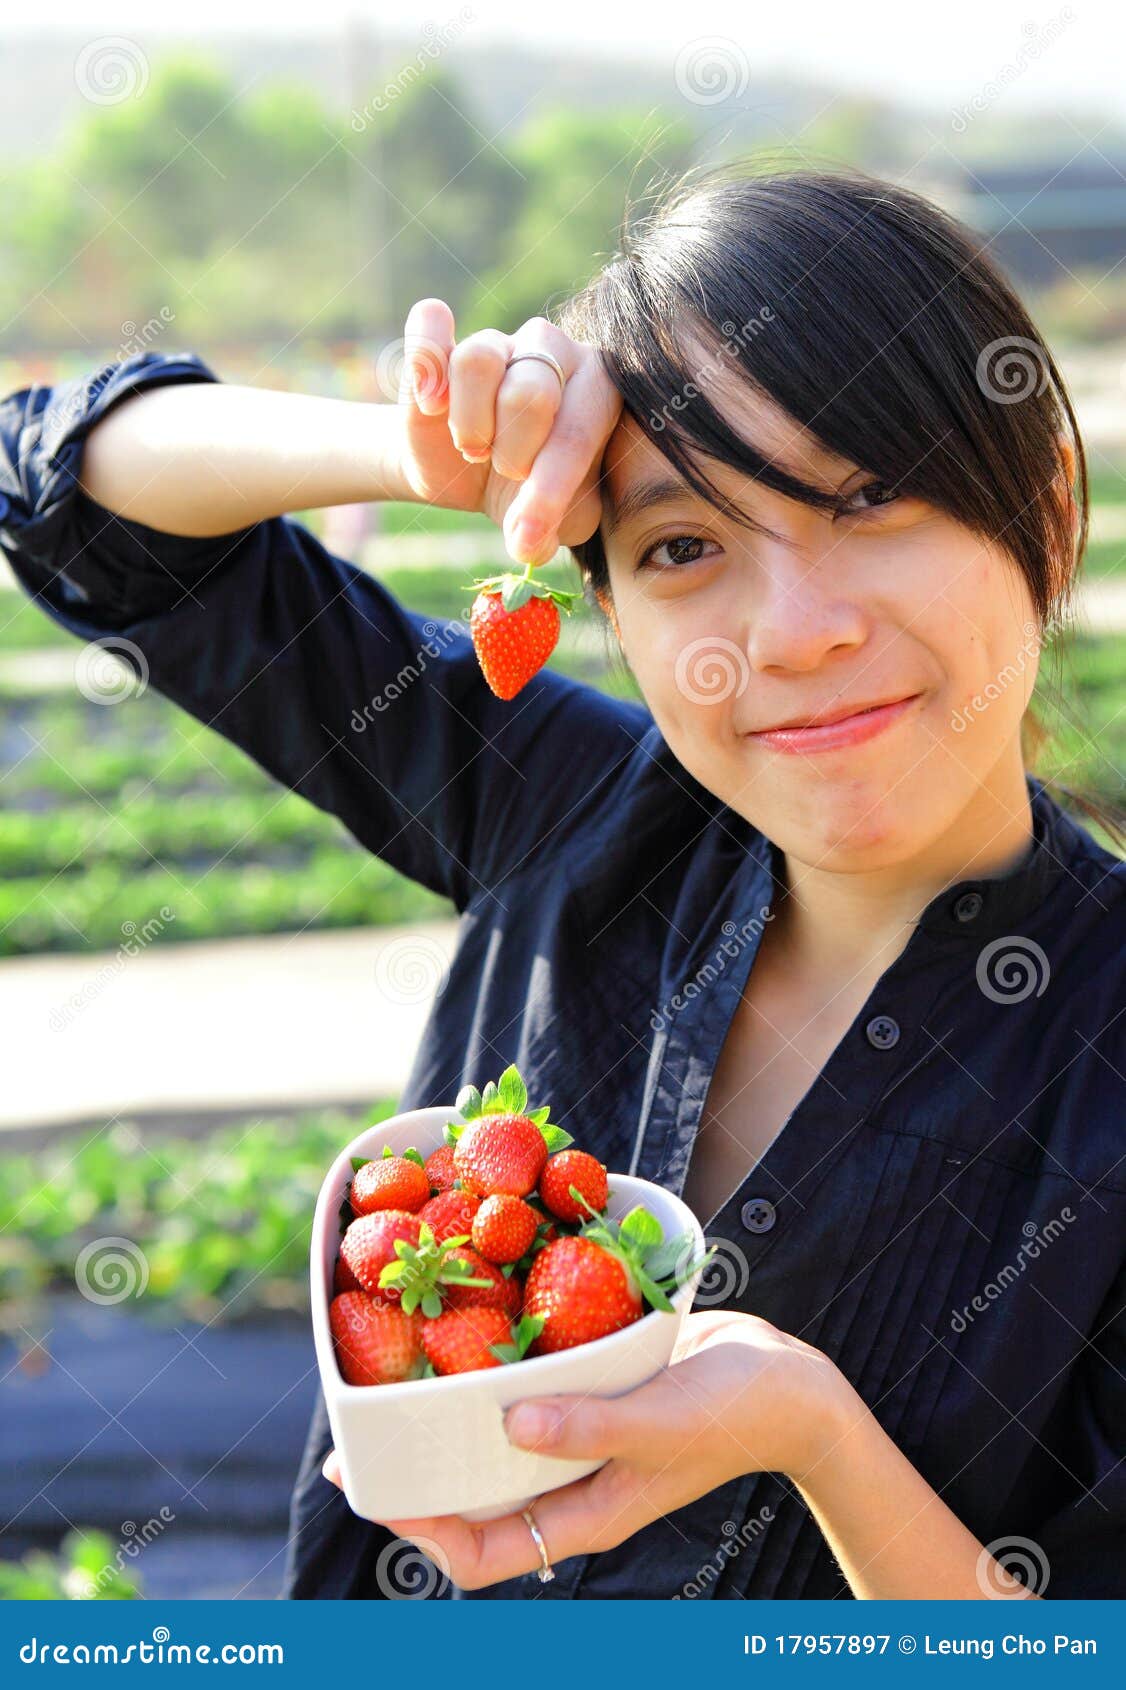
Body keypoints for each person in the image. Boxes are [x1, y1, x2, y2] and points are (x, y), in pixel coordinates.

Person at [1, 163, 1122, 1602]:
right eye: (681, 544)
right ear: (608, 608)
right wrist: (425, 454)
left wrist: (816, 1439)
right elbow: (72, 504)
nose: (789, 632)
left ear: (1040, 511)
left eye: (870, 498)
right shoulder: (574, 807)